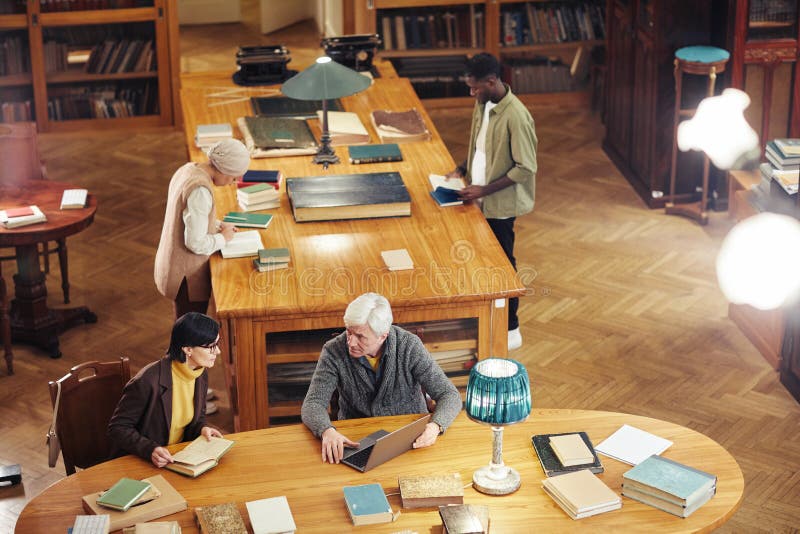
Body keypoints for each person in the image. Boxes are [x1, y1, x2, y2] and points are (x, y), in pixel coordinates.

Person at [301, 293, 462, 464]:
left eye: (360, 336)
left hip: (408, 437)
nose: (351, 342)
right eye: (349, 332)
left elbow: (449, 395)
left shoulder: (409, 346)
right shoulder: (333, 351)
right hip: (356, 439)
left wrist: (435, 426)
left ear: (382, 335)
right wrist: (327, 430)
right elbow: (313, 403)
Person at [445, 52, 537, 351]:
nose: (471, 93)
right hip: (478, 195)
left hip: (499, 205)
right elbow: (481, 147)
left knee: (504, 265)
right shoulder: (483, 103)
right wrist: (463, 168)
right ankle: (480, 315)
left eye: (475, 87)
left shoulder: (517, 116)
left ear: (492, 80)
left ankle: (511, 327)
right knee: (477, 258)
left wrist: (483, 191)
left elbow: (525, 168)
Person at [108, 312, 224, 467]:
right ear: (188, 350)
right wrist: (150, 449)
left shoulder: (200, 373)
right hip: (143, 461)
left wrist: (202, 428)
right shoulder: (147, 381)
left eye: (217, 344)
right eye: (211, 347)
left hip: (177, 456)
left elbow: (197, 416)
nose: (218, 352)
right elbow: (117, 428)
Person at [154, 138, 250, 320]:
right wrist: (224, 238)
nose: (234, 181)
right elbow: (195, 243)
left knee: (185, 329)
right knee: (189, 335)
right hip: (186, 275)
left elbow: (186, 216)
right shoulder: (200, 190)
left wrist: (217, 225)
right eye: (234, 176)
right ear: (224, 169)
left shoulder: (189, 169)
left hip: (171, 262)